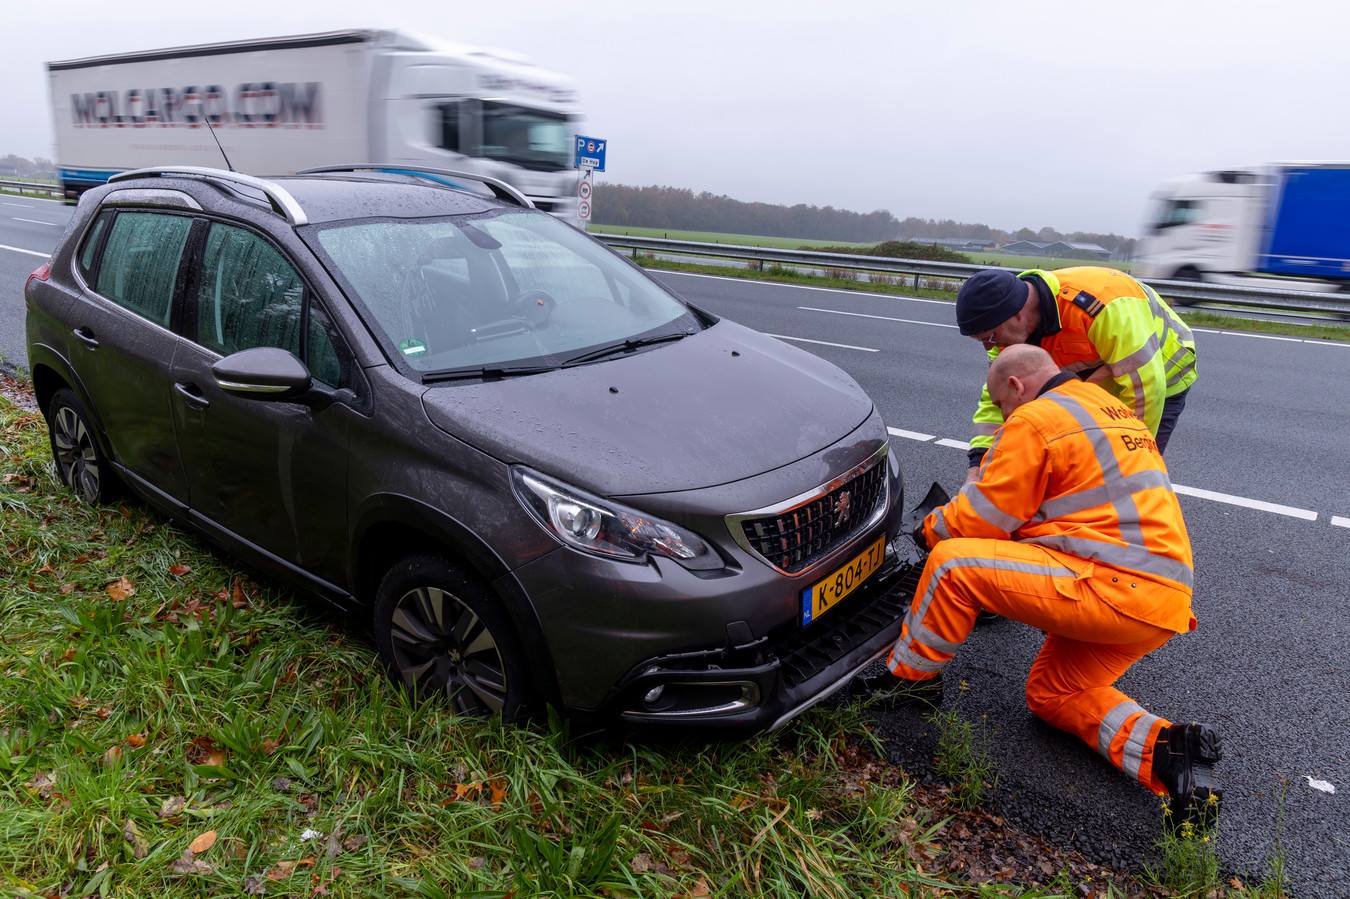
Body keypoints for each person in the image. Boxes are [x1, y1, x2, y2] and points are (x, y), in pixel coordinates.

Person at [856, 344, 1221, 829]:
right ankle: (1165, 750)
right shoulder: (1116, 413)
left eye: (1000, 404)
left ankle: (909, 683)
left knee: (951, 564)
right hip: (1159, 602)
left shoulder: (1036, 418)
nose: (1002, 417)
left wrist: (930, 530)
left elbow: (984, 517)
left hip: (1108, 586)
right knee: (1052, 695)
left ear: (1015, 386)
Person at [955, 266, 1196, 484]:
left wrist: (1125, 462)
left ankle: (1140, 520)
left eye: (989, 336)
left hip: (1162, 373)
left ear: (1017, 314)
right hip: (1093, 383)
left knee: (1126, 476)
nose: (989, 346)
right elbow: (998, 399)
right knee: (1069, 466)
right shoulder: (1005, 327)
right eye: (981, 340)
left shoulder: (1102, 309)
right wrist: (979, 465)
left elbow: (1145, 391)